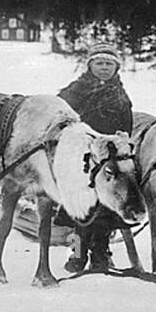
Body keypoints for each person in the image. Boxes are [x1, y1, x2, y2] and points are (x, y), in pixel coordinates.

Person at [57, 42, 134, 272]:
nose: (104, 68)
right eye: (99, 63)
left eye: (109, 63)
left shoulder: (119, 95)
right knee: (78, 211)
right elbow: (59, 117)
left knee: (105, 210)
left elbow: (125, 125)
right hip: (79, 158)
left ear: (116, 67)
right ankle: (77, 253)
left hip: (107, 161)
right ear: (90, 65)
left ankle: (100, 253)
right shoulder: (76, 90)